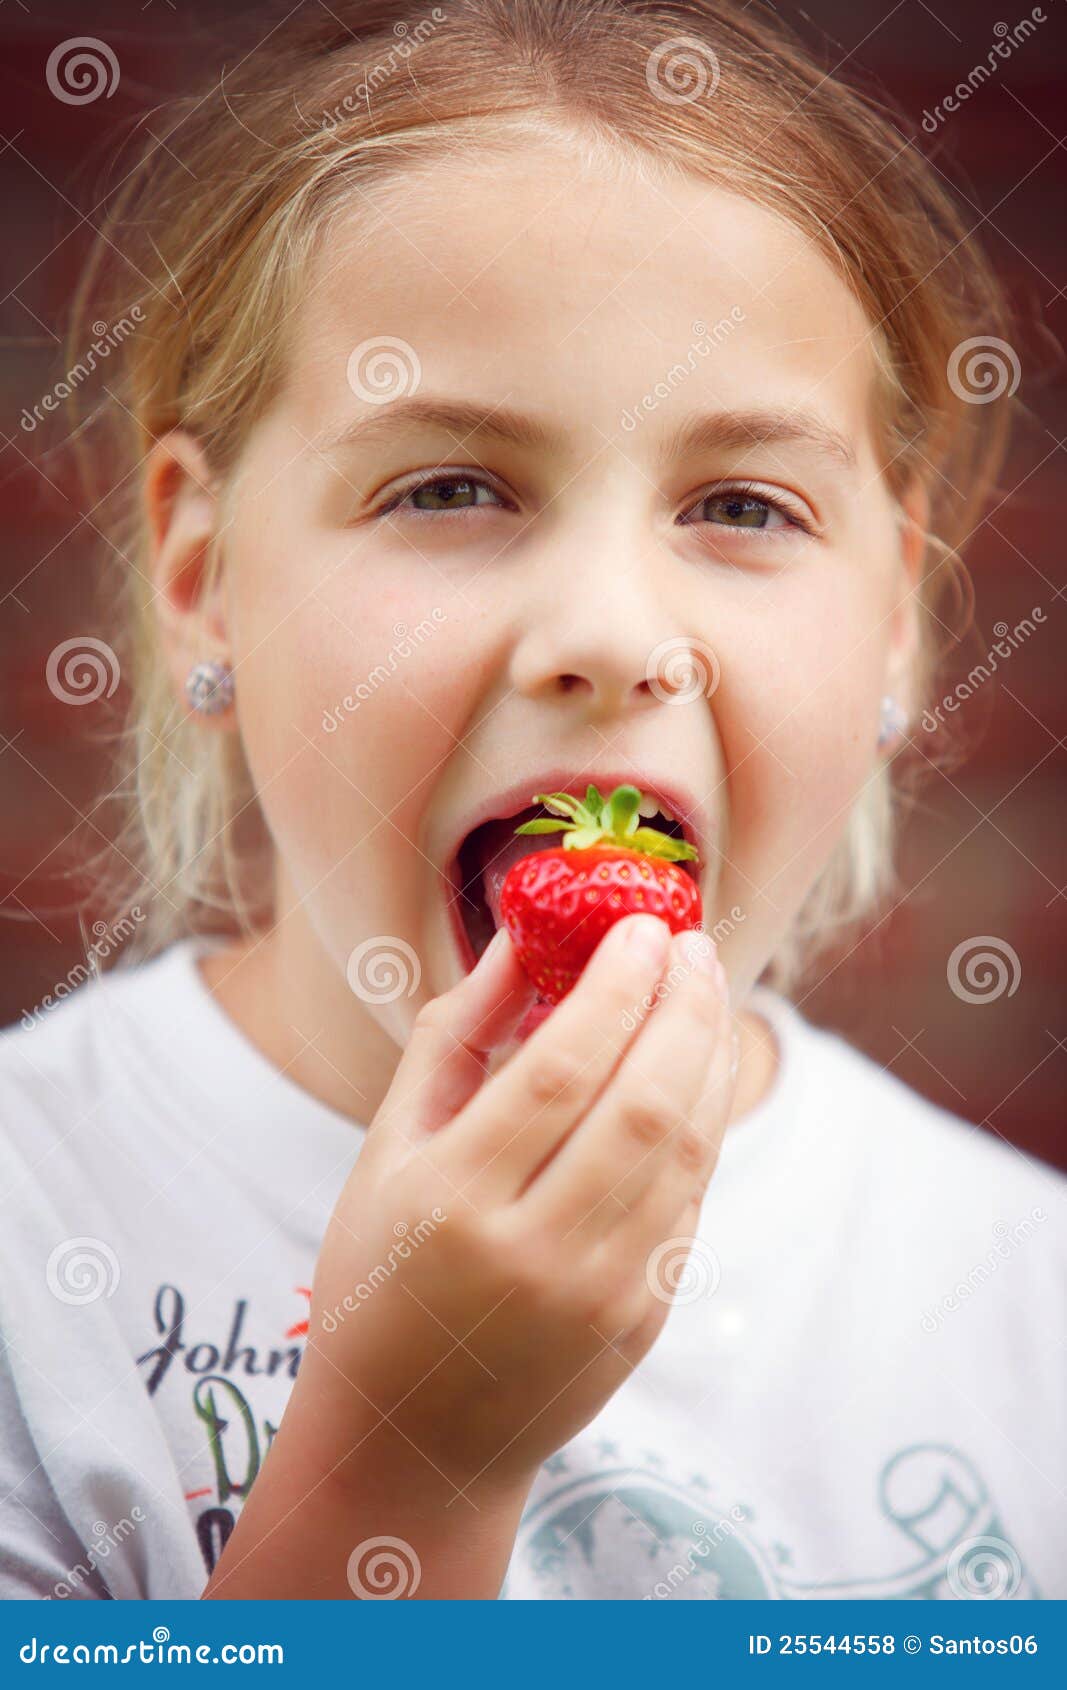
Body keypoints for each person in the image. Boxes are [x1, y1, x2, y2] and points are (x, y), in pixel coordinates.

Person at [1, 0, 1062, 1601]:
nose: (612, 634)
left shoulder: (1025, 1306)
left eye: (743, 504)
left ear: (897, 615)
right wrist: (406, 1460)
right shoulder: (33, 1245)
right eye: (449, 486)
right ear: (203, 574)